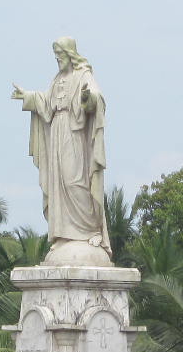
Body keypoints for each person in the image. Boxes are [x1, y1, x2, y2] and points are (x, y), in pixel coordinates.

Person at [12, 37, 111, 260]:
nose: (57, 57)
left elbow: (96, 97)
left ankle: (91, 230)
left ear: (70, 53)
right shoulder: (57, 79)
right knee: (58, 183)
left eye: (60, 53)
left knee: (75, 180)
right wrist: (27, 96)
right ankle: (64, 234)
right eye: (55, 54)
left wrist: (88, 98)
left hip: (75, 134)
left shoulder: (83, 74)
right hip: (56, 130)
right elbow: (47, 103)